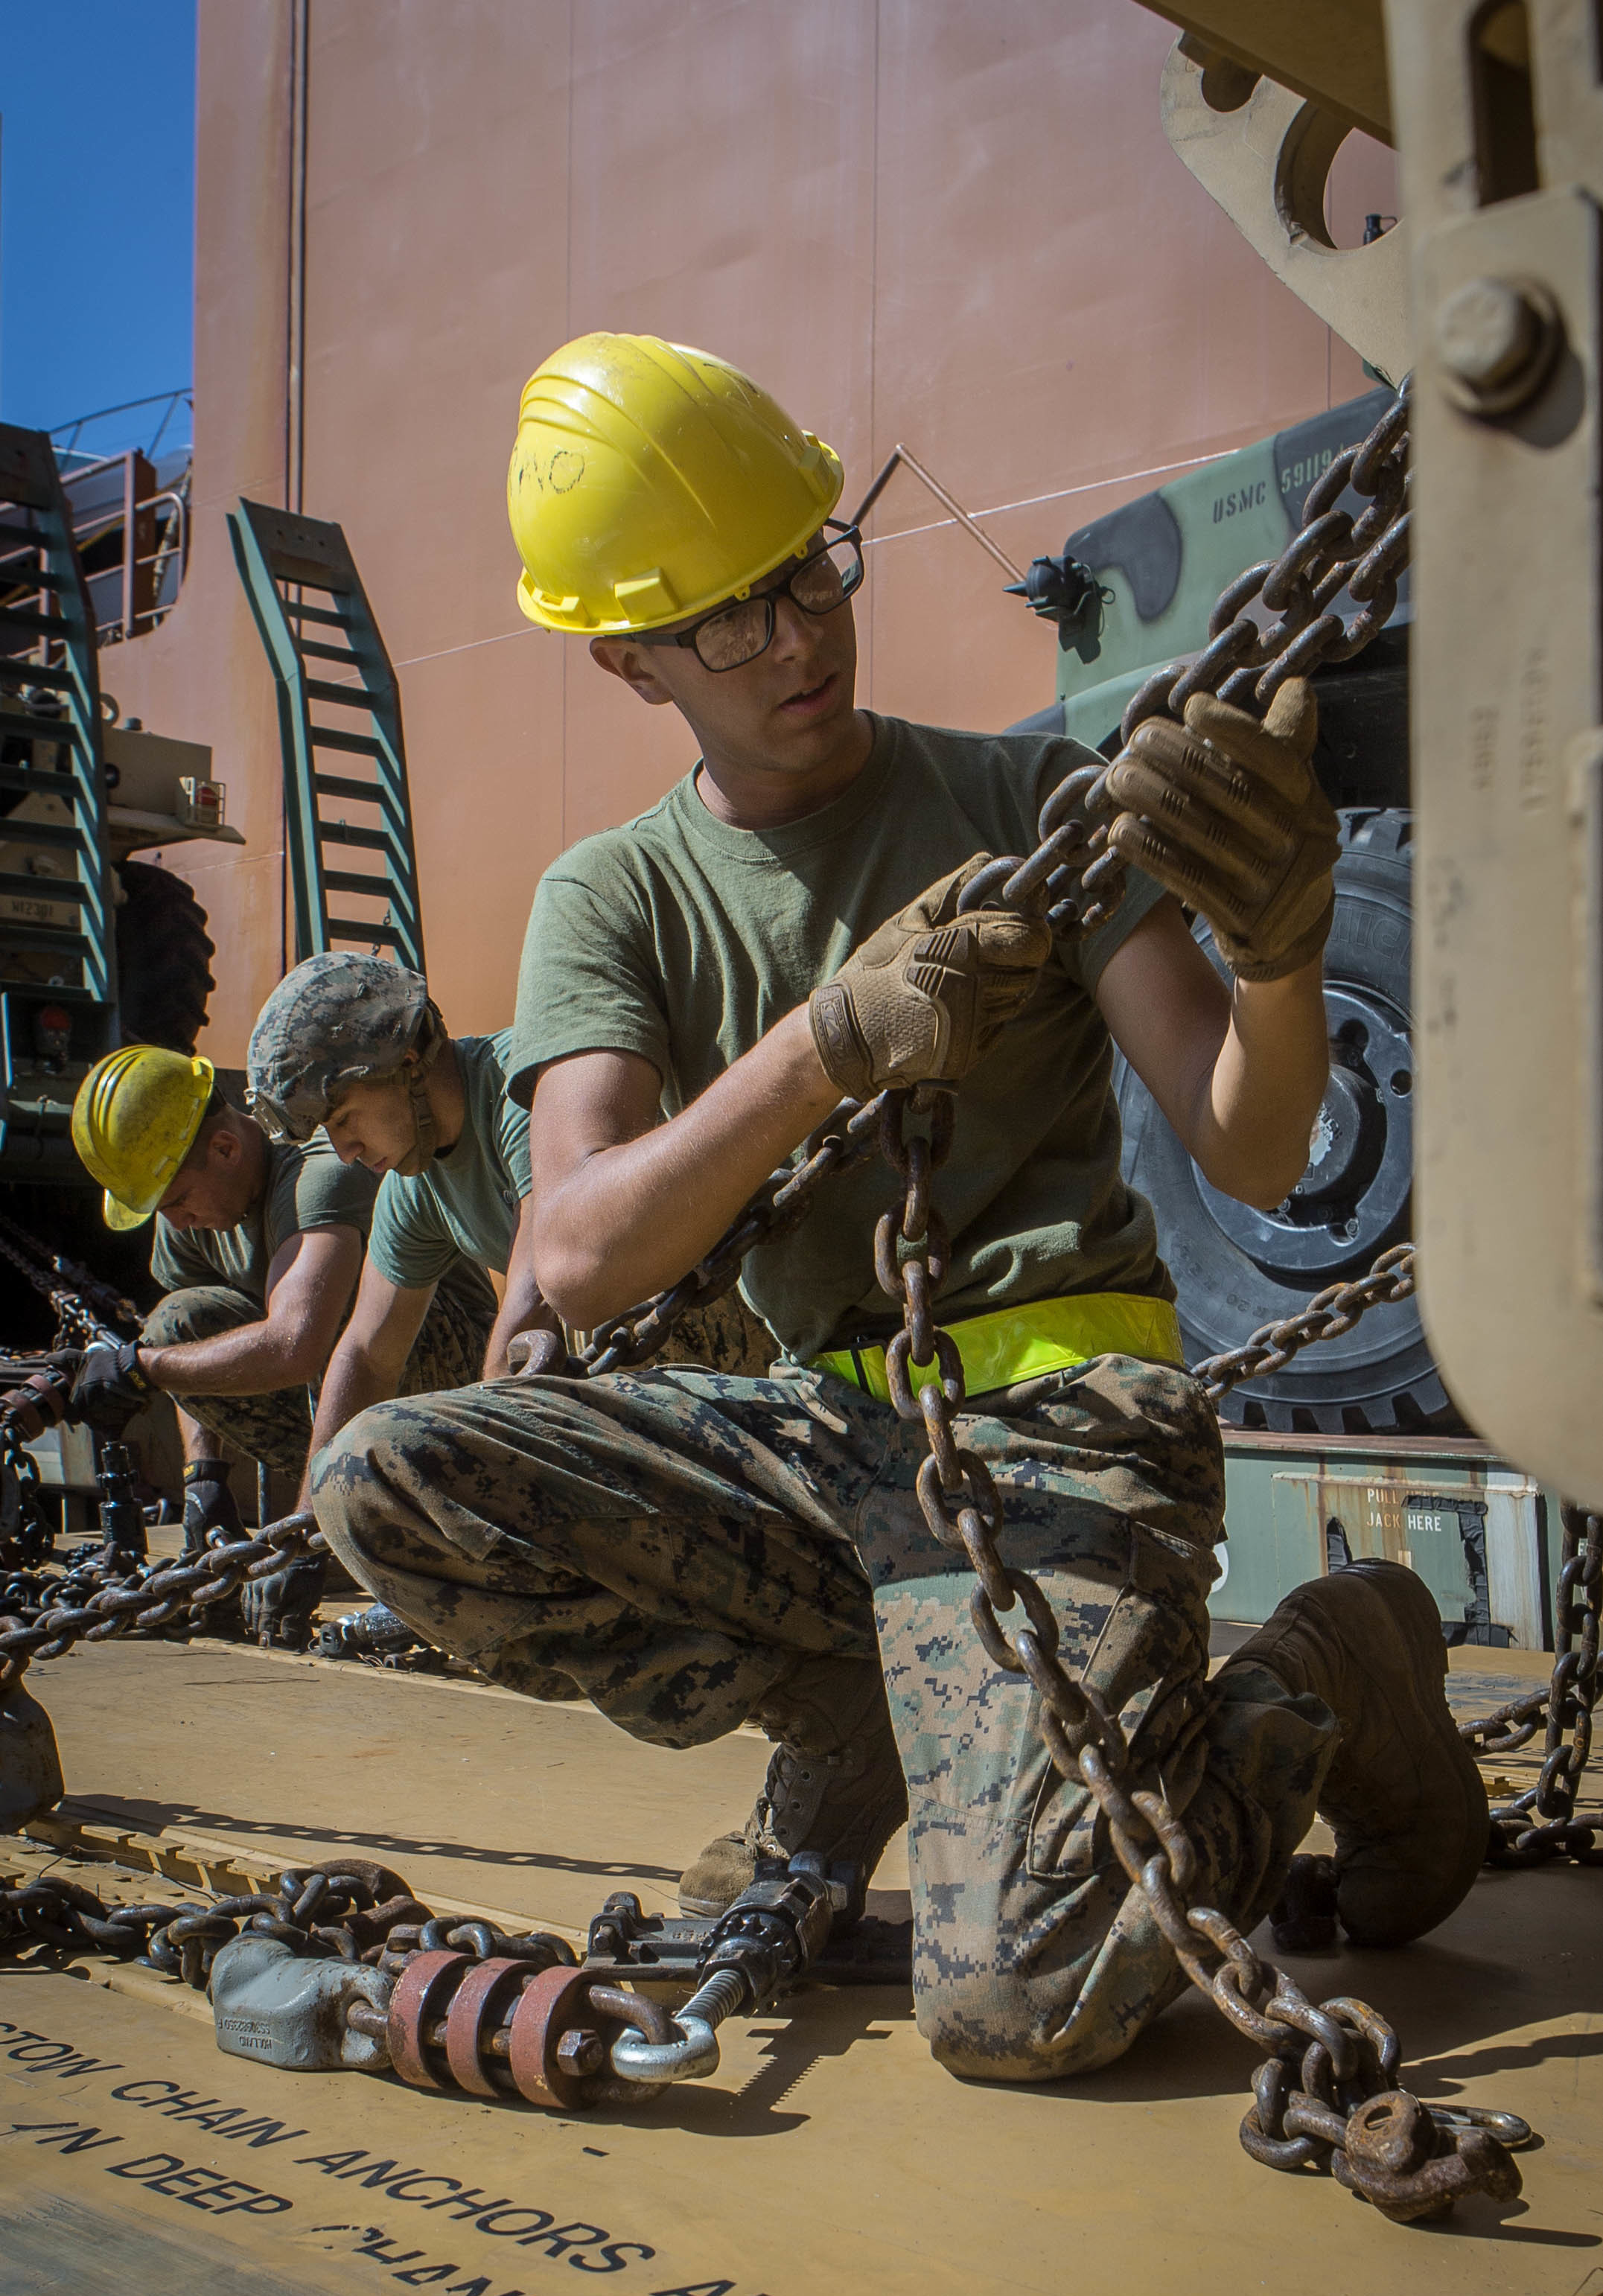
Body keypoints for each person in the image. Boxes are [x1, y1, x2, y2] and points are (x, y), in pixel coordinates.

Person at [310, 336, 1487, 2084]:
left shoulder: (1023, 806)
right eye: (723, 615)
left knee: (1018, 2007)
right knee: (386, 1483)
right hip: (815, 1447)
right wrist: (827, 1041)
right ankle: (854, 1705)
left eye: (802, 568)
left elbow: (1249, 1150)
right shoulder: (614, 897)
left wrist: (1285, 952)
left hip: (1061, 1424)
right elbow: (572, 1246)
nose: (794, 634)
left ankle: (1334, 1664)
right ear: (626, 659)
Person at [70, 1042, 495, 1639]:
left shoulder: (318, 1173)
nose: (175, 1222)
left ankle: (343, 1513)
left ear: (225, 1148)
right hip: (335, 1392)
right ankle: (338, 1501)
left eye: (177, 1202)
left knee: (326, 1299)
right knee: (176, 1322)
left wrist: (301, 1533)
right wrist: (204, 1478)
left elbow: (299, 1341)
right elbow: (186, 1343)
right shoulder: (192, 1213)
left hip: (444, 1378)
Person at [244, 952, 556, 1499]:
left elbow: (539, 1288)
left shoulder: (526, 1085)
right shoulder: (414, 1186)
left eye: (343, 1119)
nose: (344, 1152)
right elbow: (366, 1354)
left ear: (408, 1059)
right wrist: (310, 1525)